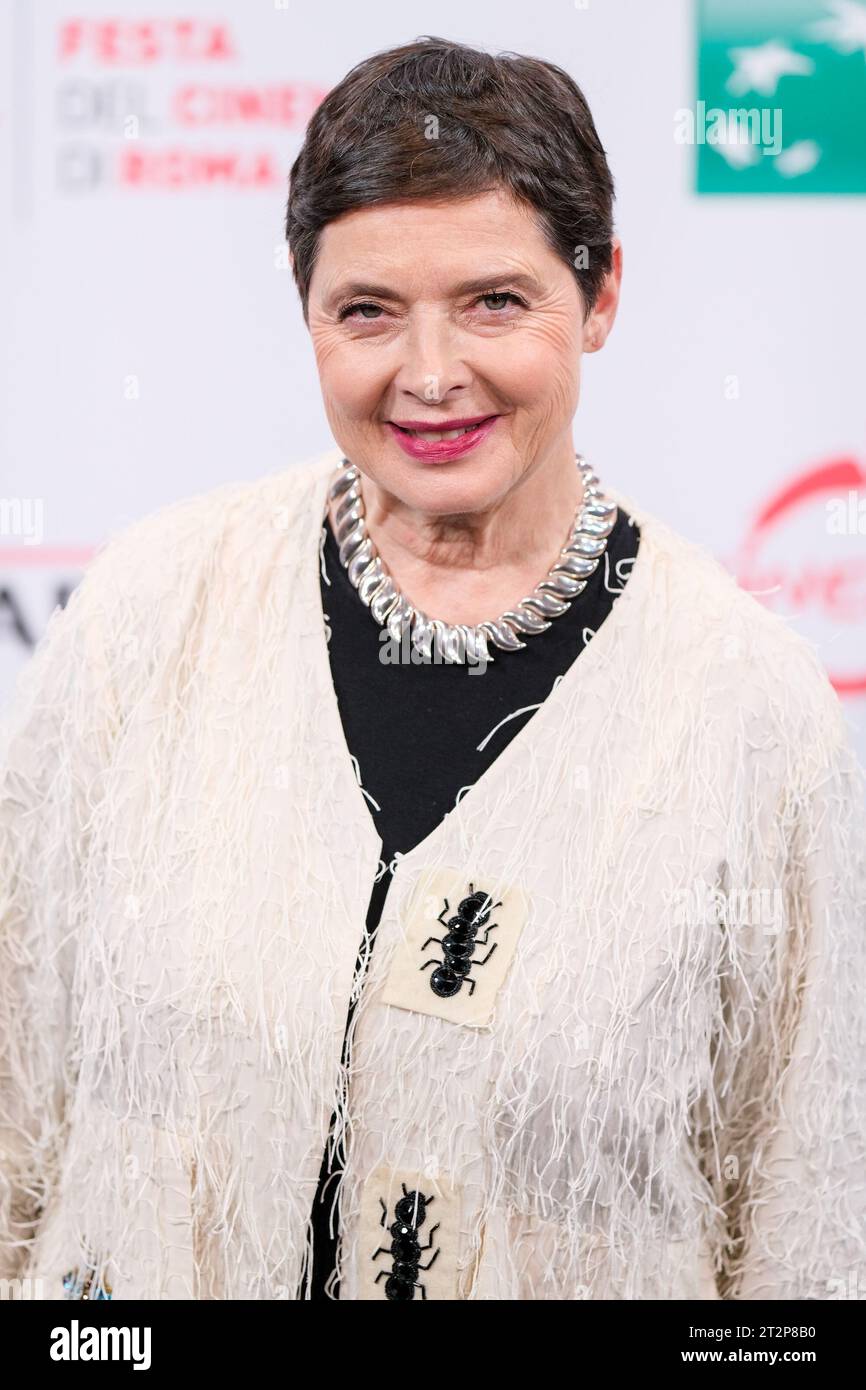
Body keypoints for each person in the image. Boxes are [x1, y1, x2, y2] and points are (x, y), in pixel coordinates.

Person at [1, 35, 864, 1303]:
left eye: (494, 301)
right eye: (367, 311)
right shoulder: (149, 611)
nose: (429, 374)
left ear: (602, 293)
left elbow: (806, 1213)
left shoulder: (748, 708)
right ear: (305, 314)